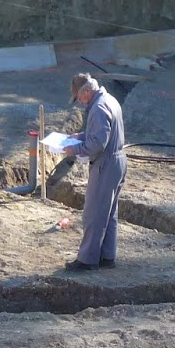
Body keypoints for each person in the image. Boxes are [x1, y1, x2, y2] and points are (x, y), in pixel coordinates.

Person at [63, 73, 128, 271]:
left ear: (86, 91)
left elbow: (98, 144)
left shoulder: (98, 108)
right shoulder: (109, 100)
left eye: (79, 97)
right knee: (109, 213)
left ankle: (87, 260)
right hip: (118, 161)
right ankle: (107, 256)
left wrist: (75, 148)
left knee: (93, 213)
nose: (80, 102)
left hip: (105, 164)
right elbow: (103, 132)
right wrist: (81, 136)